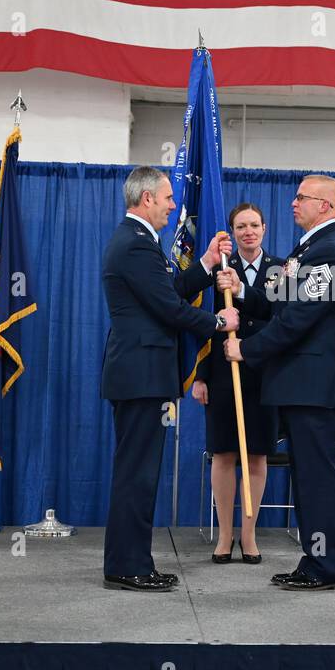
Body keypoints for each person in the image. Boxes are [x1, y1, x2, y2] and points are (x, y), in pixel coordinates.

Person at [220, 175, 335, 591]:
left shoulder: (332, 253)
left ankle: (330, 566)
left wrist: (248, 349)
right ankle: (314, 560)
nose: (294, 203)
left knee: (317, 478)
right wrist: (240, 290)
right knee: (306, 477)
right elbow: (277, 302)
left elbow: (300, 318)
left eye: (303, 197)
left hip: (316, 382)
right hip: (300, 382)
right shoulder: (307, 249)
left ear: (327, 206)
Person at [102, 166, 239, 592]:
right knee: (137, 473)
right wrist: (218, 321)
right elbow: (168, 307)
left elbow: (174, 287)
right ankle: (128, 566)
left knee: (140, 471)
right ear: (146, 199)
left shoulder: (142, 242)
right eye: (166, 198)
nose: (173, 205)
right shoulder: (136, 245)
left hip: (144, 375)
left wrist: (208, 262)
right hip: (141, 376)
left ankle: (132, 560)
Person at [192, 202, 283, 564]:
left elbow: (282, 320)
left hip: (263, 371)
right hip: (221, 371)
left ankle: (249, 534)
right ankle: (224, 535)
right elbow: (201, 323)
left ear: (264, 228)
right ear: (233, 232)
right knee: (224, 451)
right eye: (241, 226)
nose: (248, 231)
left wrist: (248, 343)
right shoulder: (219, 270)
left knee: (257, 453)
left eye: (254, 225)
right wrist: (200, 376)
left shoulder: (281, 270)